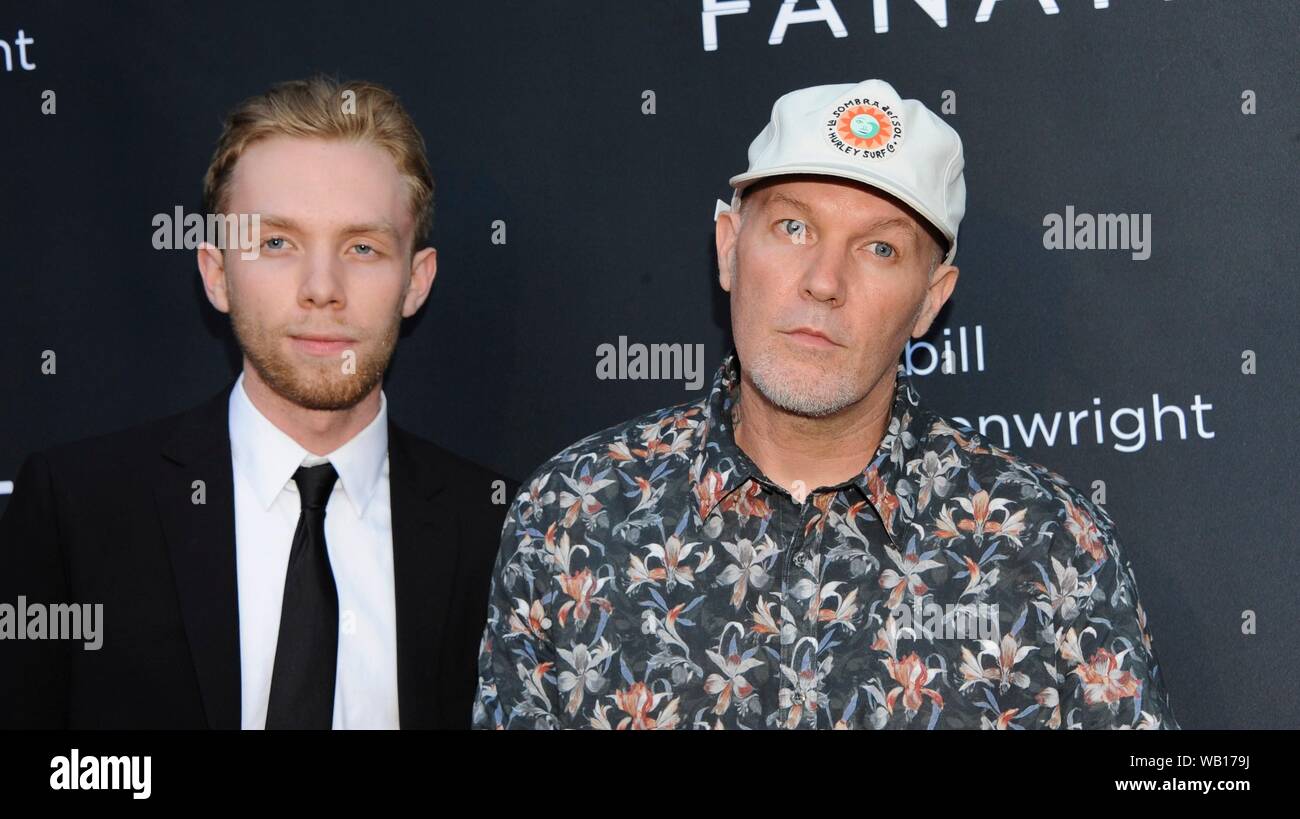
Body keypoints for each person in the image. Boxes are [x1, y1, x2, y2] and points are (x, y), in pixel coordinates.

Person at [472, 78, 1178, 730]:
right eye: (794, 228)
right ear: (727, 247)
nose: (824, 281)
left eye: (878, 248)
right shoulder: (574, 516)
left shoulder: (1050, 546)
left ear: (931, 299)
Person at [0, 76, 515, 729]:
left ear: (416, 282)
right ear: (217, 274)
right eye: (277, 243)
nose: (322, 289)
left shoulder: (505, 530)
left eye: (362, 247)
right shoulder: (77, 509)